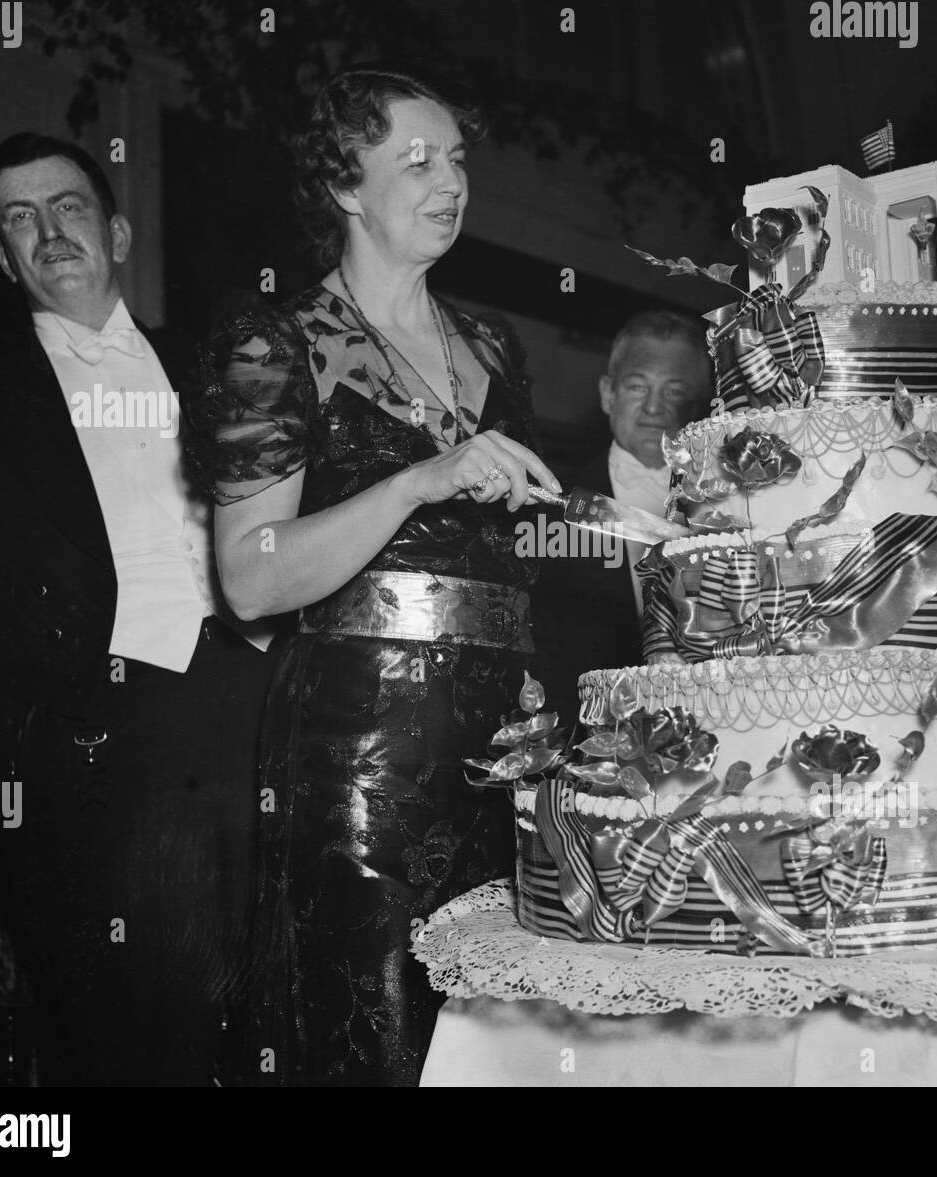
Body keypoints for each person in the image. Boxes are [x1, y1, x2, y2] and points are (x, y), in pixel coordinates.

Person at [184, 65, 558, 1087]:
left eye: (459, 159)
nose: (452, 181)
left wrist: (529, 683)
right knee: (375, 1048)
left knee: (493, 1051)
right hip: (358, 757)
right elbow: (252, 583)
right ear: (347, 187)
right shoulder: (272, 344)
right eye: (418, 160)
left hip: (498, 760)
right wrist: (416, 481)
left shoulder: (492, 347)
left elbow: (501, 562)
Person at [0, 133, 279, 1084]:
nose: (49, 232)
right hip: (106, 761)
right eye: (20, 219)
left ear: (117, 231)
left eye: (69, 206)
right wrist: (45, 748)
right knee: (128, 1062)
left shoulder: (218, 370)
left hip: (267, 722)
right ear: (0, 259)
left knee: (279, 1040)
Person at [531, 310, 713, 719]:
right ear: (608, 394)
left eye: (674, 391)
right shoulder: (551, 512)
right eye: (637, 386)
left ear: (700, 404)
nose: (653, 407)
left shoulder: (727, 508)